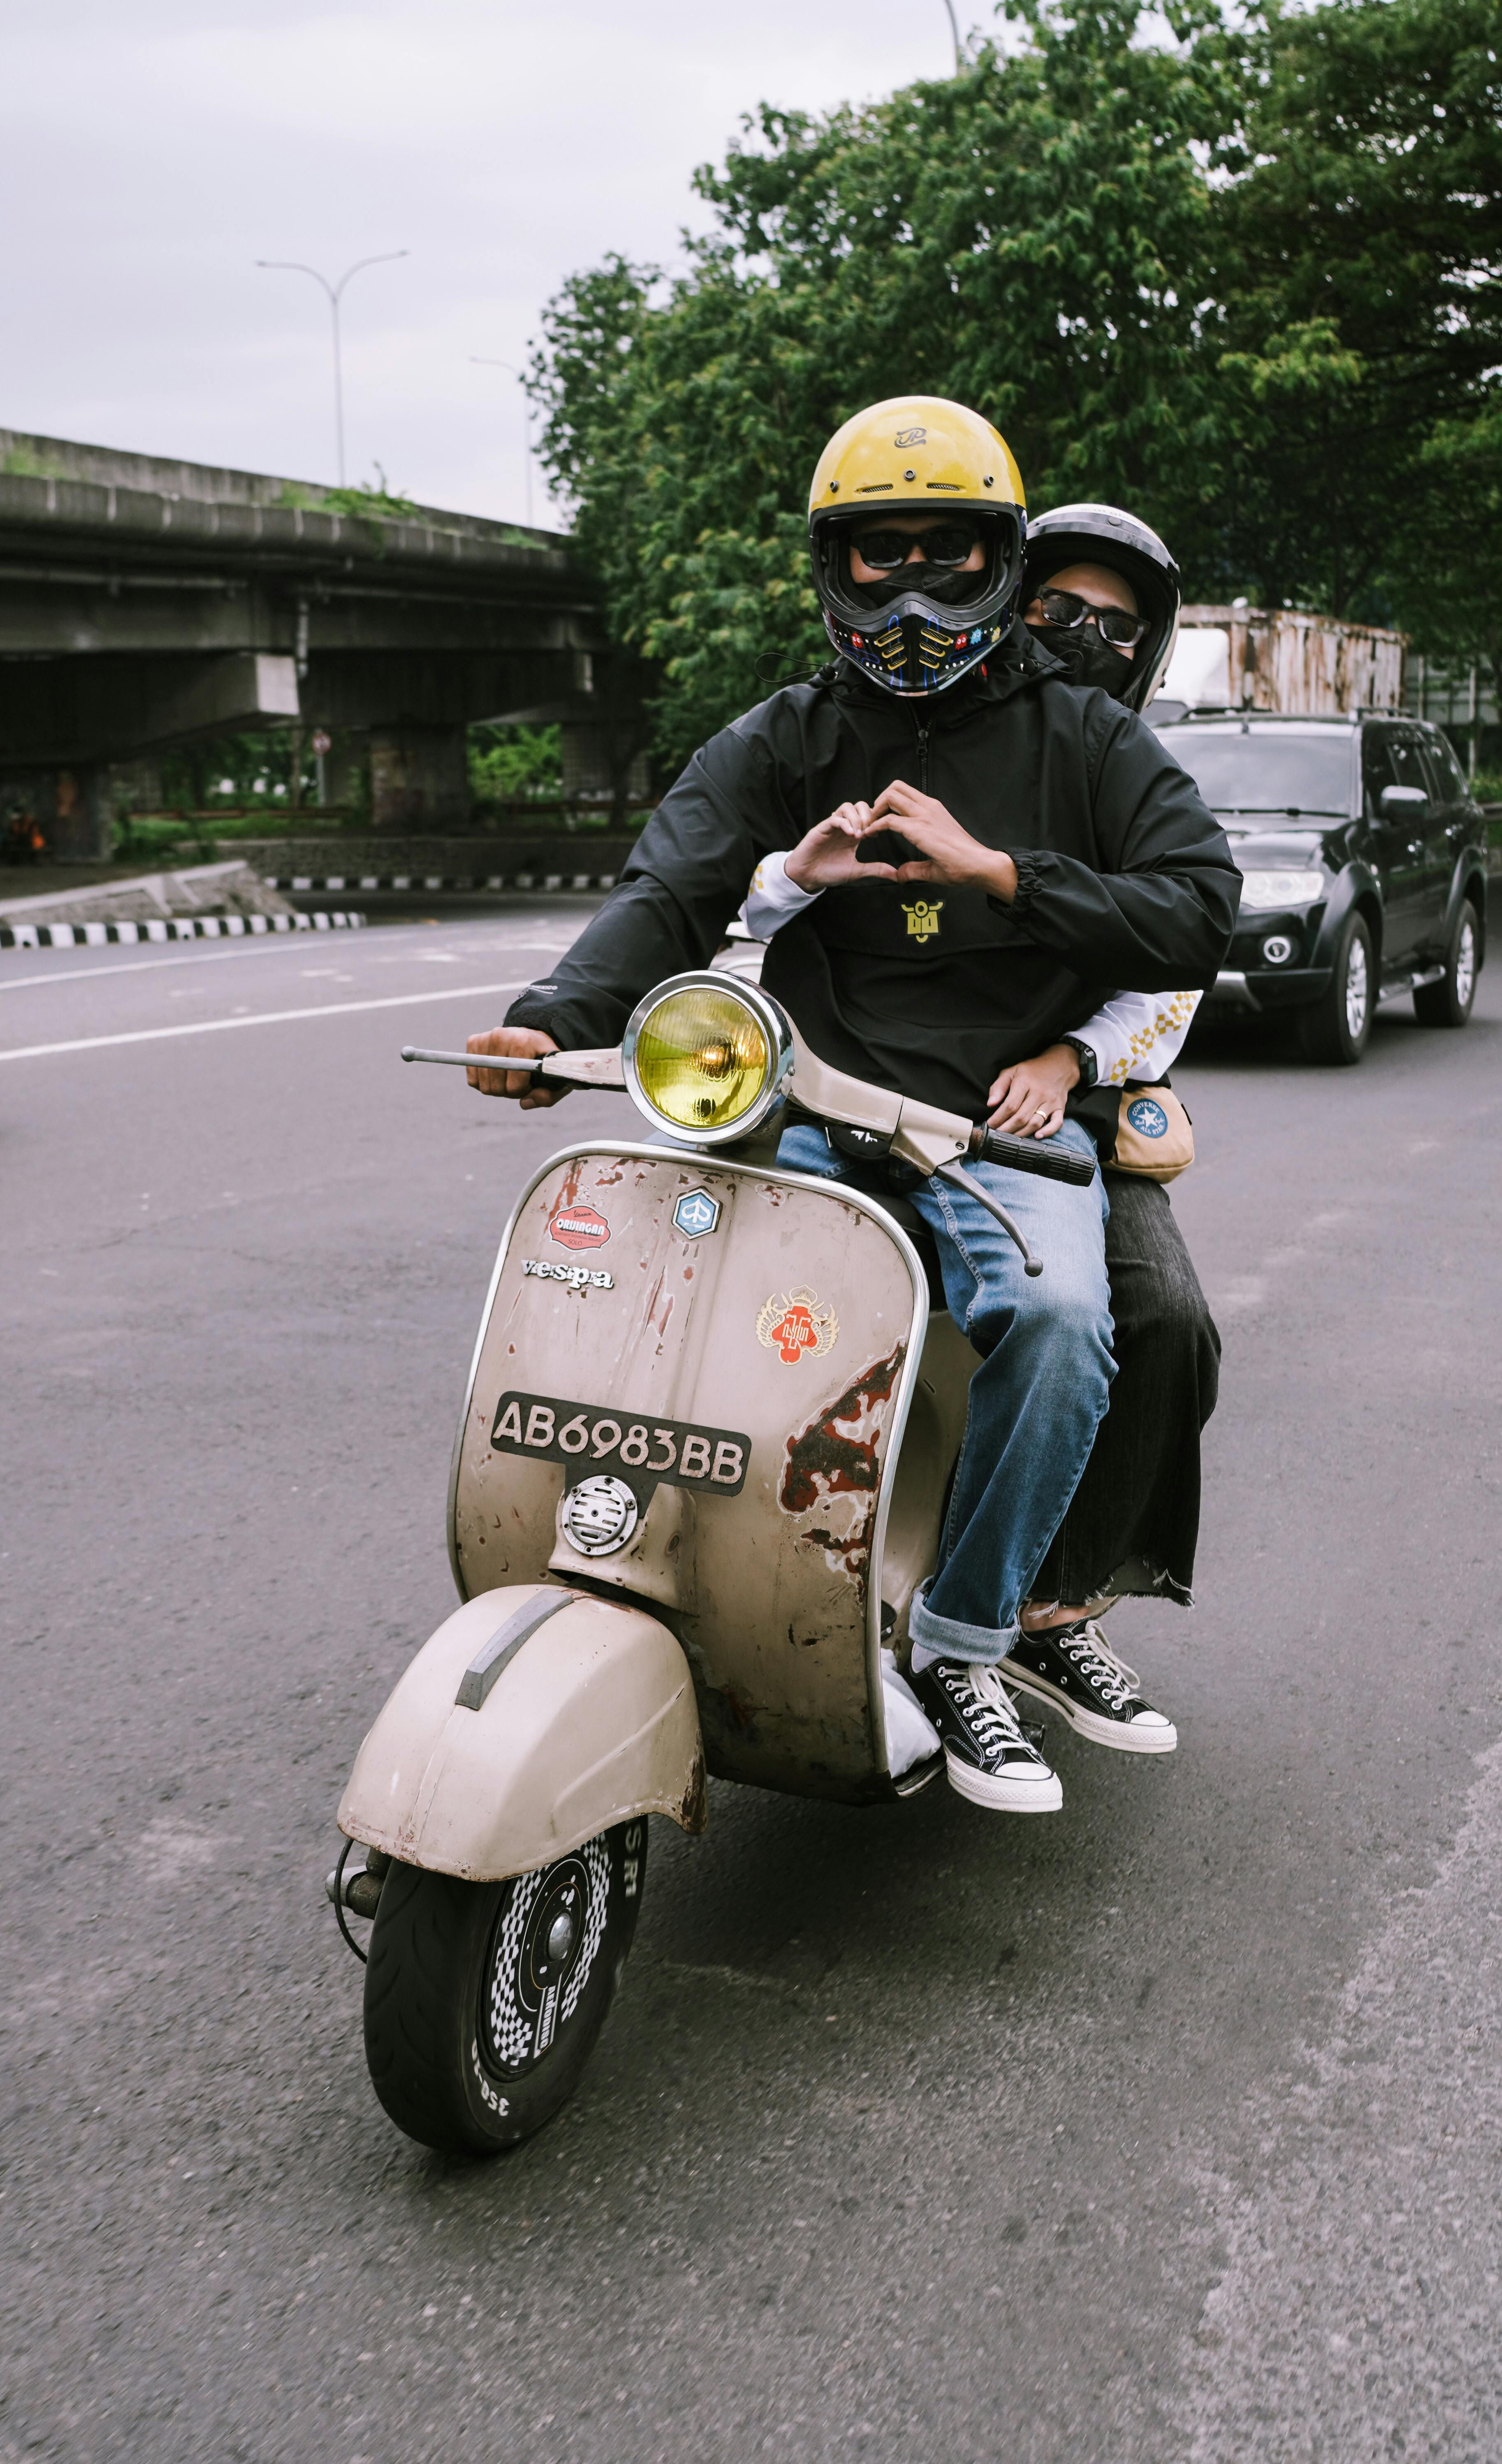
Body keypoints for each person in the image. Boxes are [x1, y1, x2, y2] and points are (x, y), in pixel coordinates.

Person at [466, 397, 1239, 1816]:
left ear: (999, 559)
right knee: (674, 1301)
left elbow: (1198, 908)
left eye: (950, 553)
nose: (913, 591)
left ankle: (966, 1639)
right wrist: (552, 1018)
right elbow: (669, 888)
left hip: (1001, 1139)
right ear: (834, 564)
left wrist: (998, 873)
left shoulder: (1087, 740)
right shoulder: (786, 737)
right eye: (881, 554)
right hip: (815, 1111)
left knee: (1069, 1325)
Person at [738, 502, 1223, 1750]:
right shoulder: (866, 732)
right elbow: (737, 895)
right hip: (869, 1094)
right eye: (1058, 607)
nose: (1082, 637)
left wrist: (1066, 1057)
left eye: (1116, 625)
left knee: (1155, 1320)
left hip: (1060, 1105)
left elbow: (1174, 966)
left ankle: (1050, 1602)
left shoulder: (1121, 765)